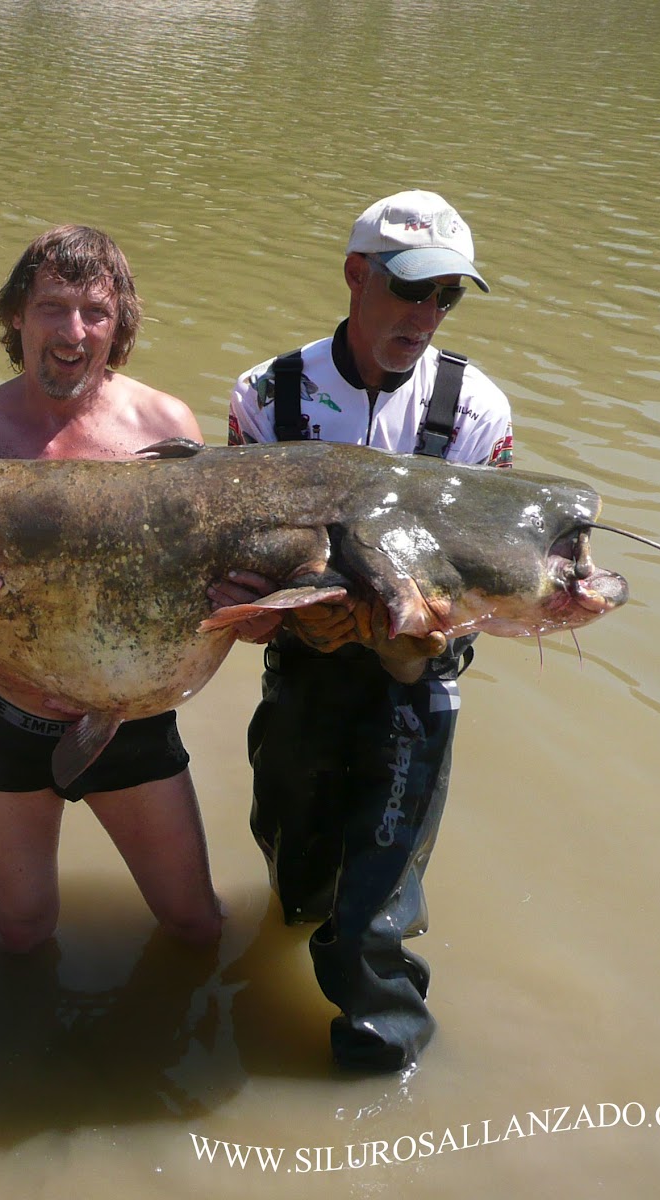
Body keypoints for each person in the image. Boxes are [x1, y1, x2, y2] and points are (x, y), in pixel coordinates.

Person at [211, 190, 514, 1072]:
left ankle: (383, 1074)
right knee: (295, 875)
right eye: (412, 289)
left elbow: (479, 574)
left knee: (371, 922)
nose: (426, 316)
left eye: (447, 297)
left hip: (417, 679)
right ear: (355, 275)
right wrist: (244, 598)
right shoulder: (268, 395)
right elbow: (236, 550)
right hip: (302, 669)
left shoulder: (477, 408)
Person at [0, 225, 224, 953]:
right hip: (4, 719)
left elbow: (199, 601)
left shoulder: (164, 429)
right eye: (52, 307)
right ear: (17, 316)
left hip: (129, 723)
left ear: (119, 325)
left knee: (194, 921)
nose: (73, 332)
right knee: (23, 928)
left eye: (95, 313)